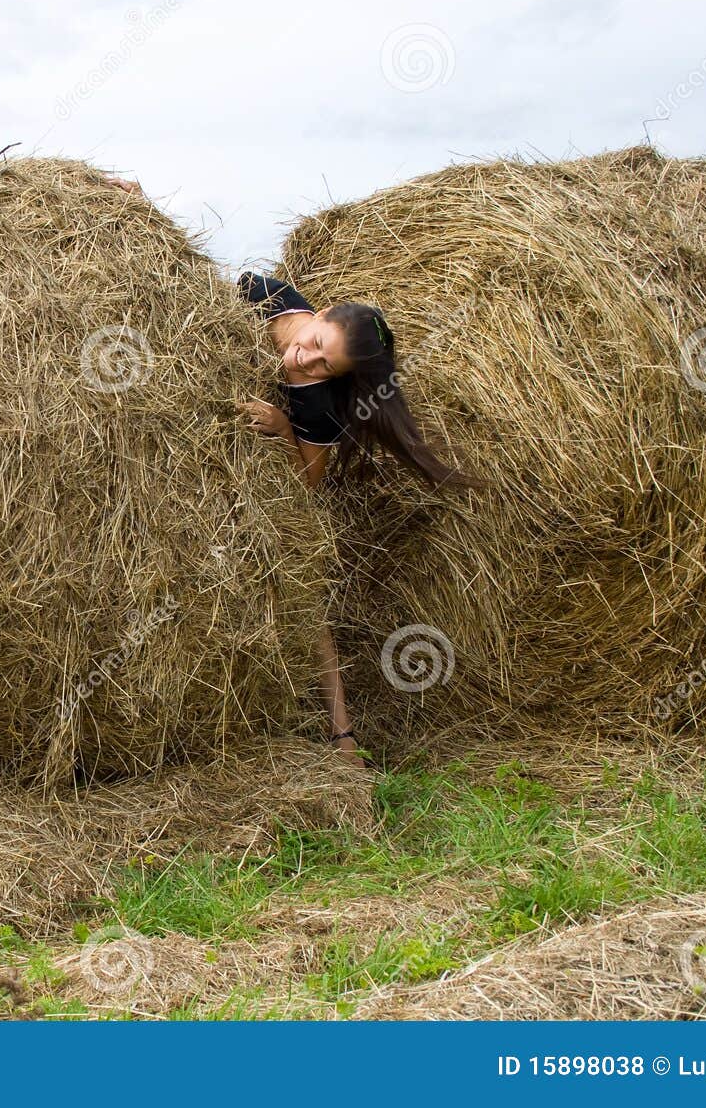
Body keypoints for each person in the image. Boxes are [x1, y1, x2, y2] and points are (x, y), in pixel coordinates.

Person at [106, 176, 479, 767]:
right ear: (319, 313)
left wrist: (284, 427)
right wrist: (139, 206)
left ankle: (341, 733)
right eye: (313, 342)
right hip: (186, 444)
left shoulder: (318, 406)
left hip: (252, 486)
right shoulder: (262, 291)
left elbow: (306, 485)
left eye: (322, 363)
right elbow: (181, 288)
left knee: (300, 585)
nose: (304, 357)